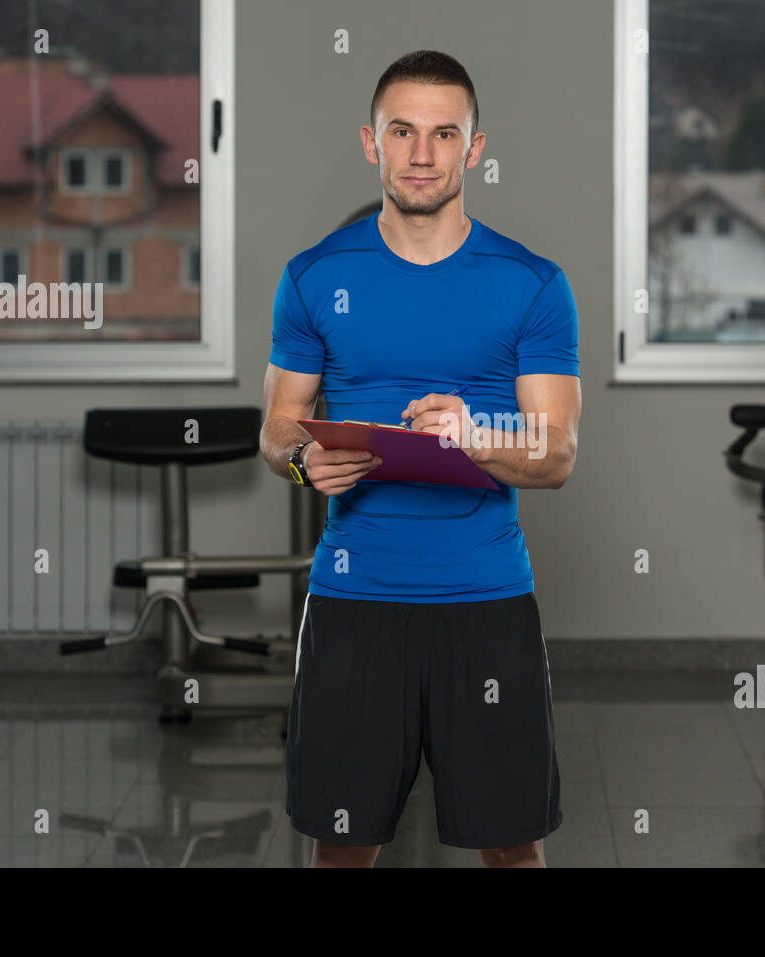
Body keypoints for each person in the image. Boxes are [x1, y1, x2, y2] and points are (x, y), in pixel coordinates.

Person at [260, 50, 581, 868]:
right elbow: (277, 428)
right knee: (341, 848)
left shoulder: (534, 284)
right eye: (402, 131)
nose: (423, 154)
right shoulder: (313, 276)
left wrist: (477, 436)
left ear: (476, 148)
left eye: (445, 134)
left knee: (512, 850)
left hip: (487, 603)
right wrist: (302, 461)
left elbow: (557, 454)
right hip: (354, 602)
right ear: (372, 142)